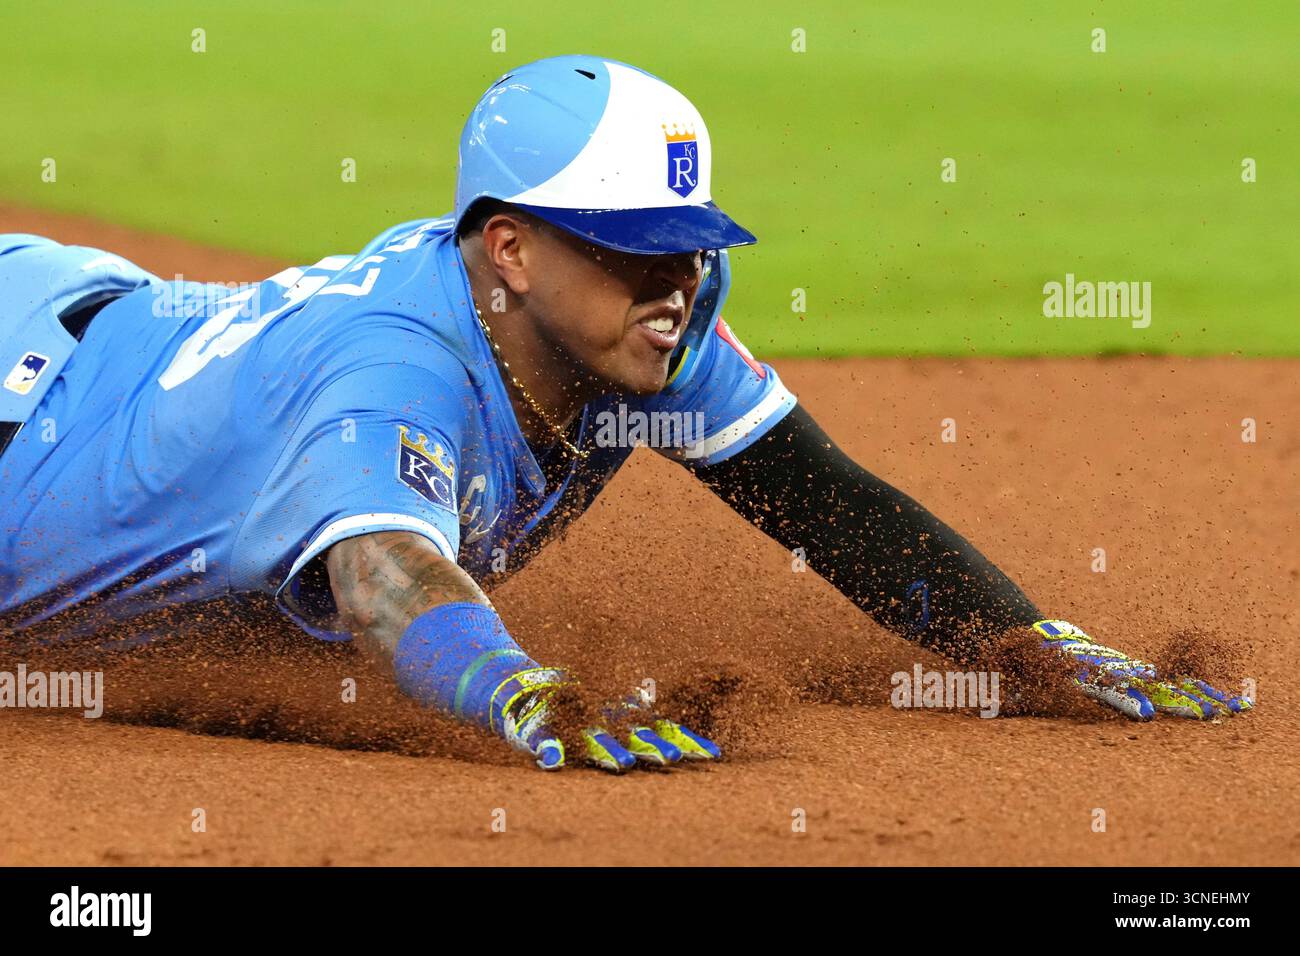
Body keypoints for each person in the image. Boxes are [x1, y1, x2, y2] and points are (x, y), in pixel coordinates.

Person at [0, 56, 1250, 772]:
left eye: (691, 248)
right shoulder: (393, 370)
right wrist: (527, 694)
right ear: (513, 250)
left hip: (97, 328)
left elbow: (825, 500)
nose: (676, 284)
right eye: (636, 252)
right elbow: (384, 578)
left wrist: (1028, 639)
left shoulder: (657, 327)